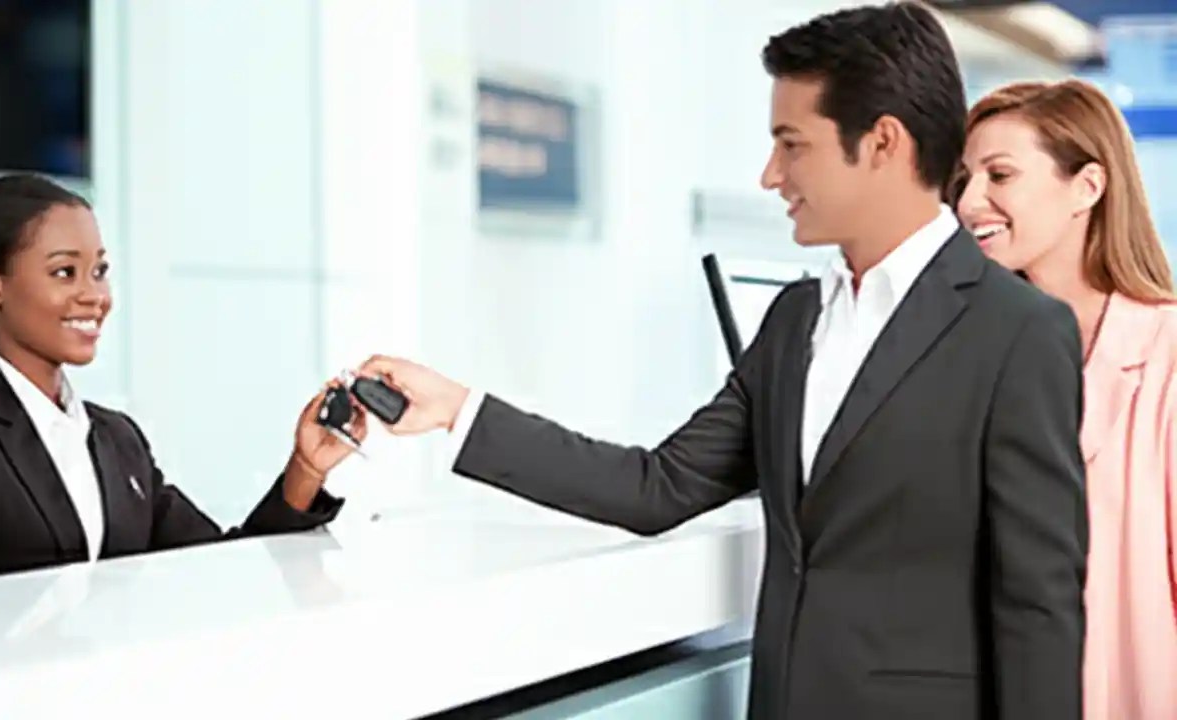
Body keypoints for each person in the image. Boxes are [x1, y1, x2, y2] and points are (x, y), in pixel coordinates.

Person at [349, 5, 1088, 719]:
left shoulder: (1018, 331)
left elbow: (1038, 605)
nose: (771, 175)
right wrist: (458, 410)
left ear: (883, 143)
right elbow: (658, 486)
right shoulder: (795, 320)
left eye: (792, 144)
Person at [0, 174, 364, 587]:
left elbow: (226, 568)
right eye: (65, 272)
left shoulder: (118, 440)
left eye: (99, 271)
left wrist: (306, 467)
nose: (94, 296)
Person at [956, 78, 1177, 720]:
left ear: (1087, 187)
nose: (971, 202)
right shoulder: (971, 351)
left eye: (1000, 175)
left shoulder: (1164, 349)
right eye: (965, 178)